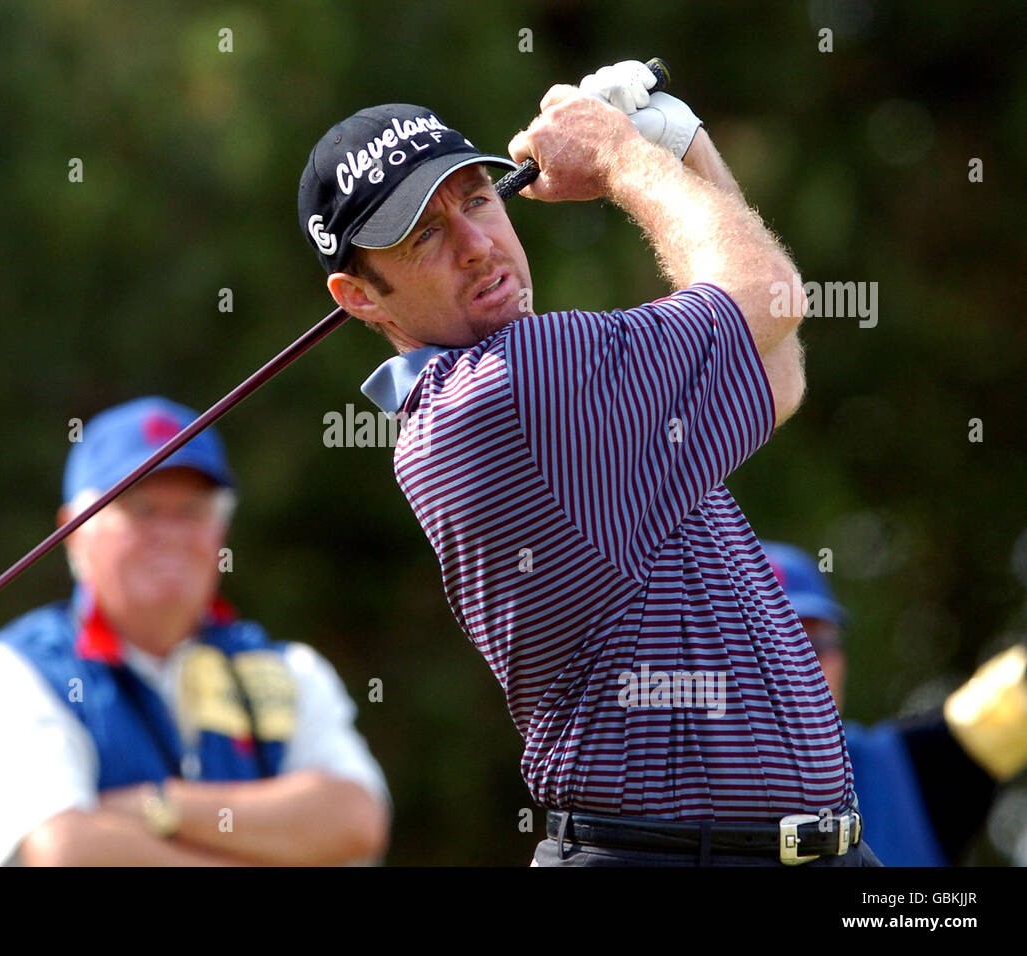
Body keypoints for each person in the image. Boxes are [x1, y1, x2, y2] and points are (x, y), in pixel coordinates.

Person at [299, 60, 875, 865]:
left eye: (478, 199)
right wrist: (622, 158)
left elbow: (776, 376)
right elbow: (770, 292)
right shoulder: (512, 386)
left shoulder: (516, 393)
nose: (476, 246)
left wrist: (681, 149)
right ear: (360, 296)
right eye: (424, 235)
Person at [0, 396, 390, 865]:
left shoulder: (291, 670)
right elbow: (63, 852)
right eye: (141, 509)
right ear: (73, 531)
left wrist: (158, 807)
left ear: (221, 531)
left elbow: (357, 820)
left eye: (193, 510)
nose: (170, 534)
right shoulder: (9, 672)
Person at [761, 540, 1027, 865]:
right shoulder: (699, 795)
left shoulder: (910, 770)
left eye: (817, 643)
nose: (800, 665)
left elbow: (1012, 700)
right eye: (768, 647)